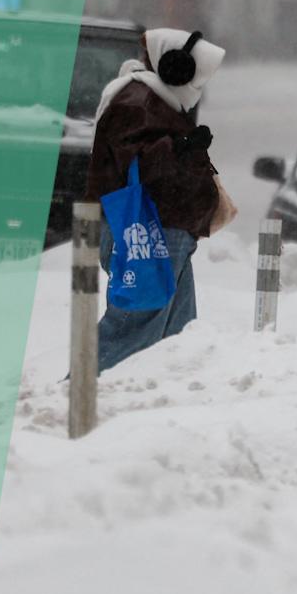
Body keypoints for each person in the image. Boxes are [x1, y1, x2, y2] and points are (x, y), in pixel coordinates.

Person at [86, 28, 226, 373]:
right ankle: (78, 395)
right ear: (176, 68)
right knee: (131, 335)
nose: (198, 88)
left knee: (174, 340)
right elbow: (136, 163)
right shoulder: (137, 103)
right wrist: (181, 147)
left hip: (167, 231)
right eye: (197, 78)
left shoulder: (154, 102)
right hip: (150, 232)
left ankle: (153, 403)